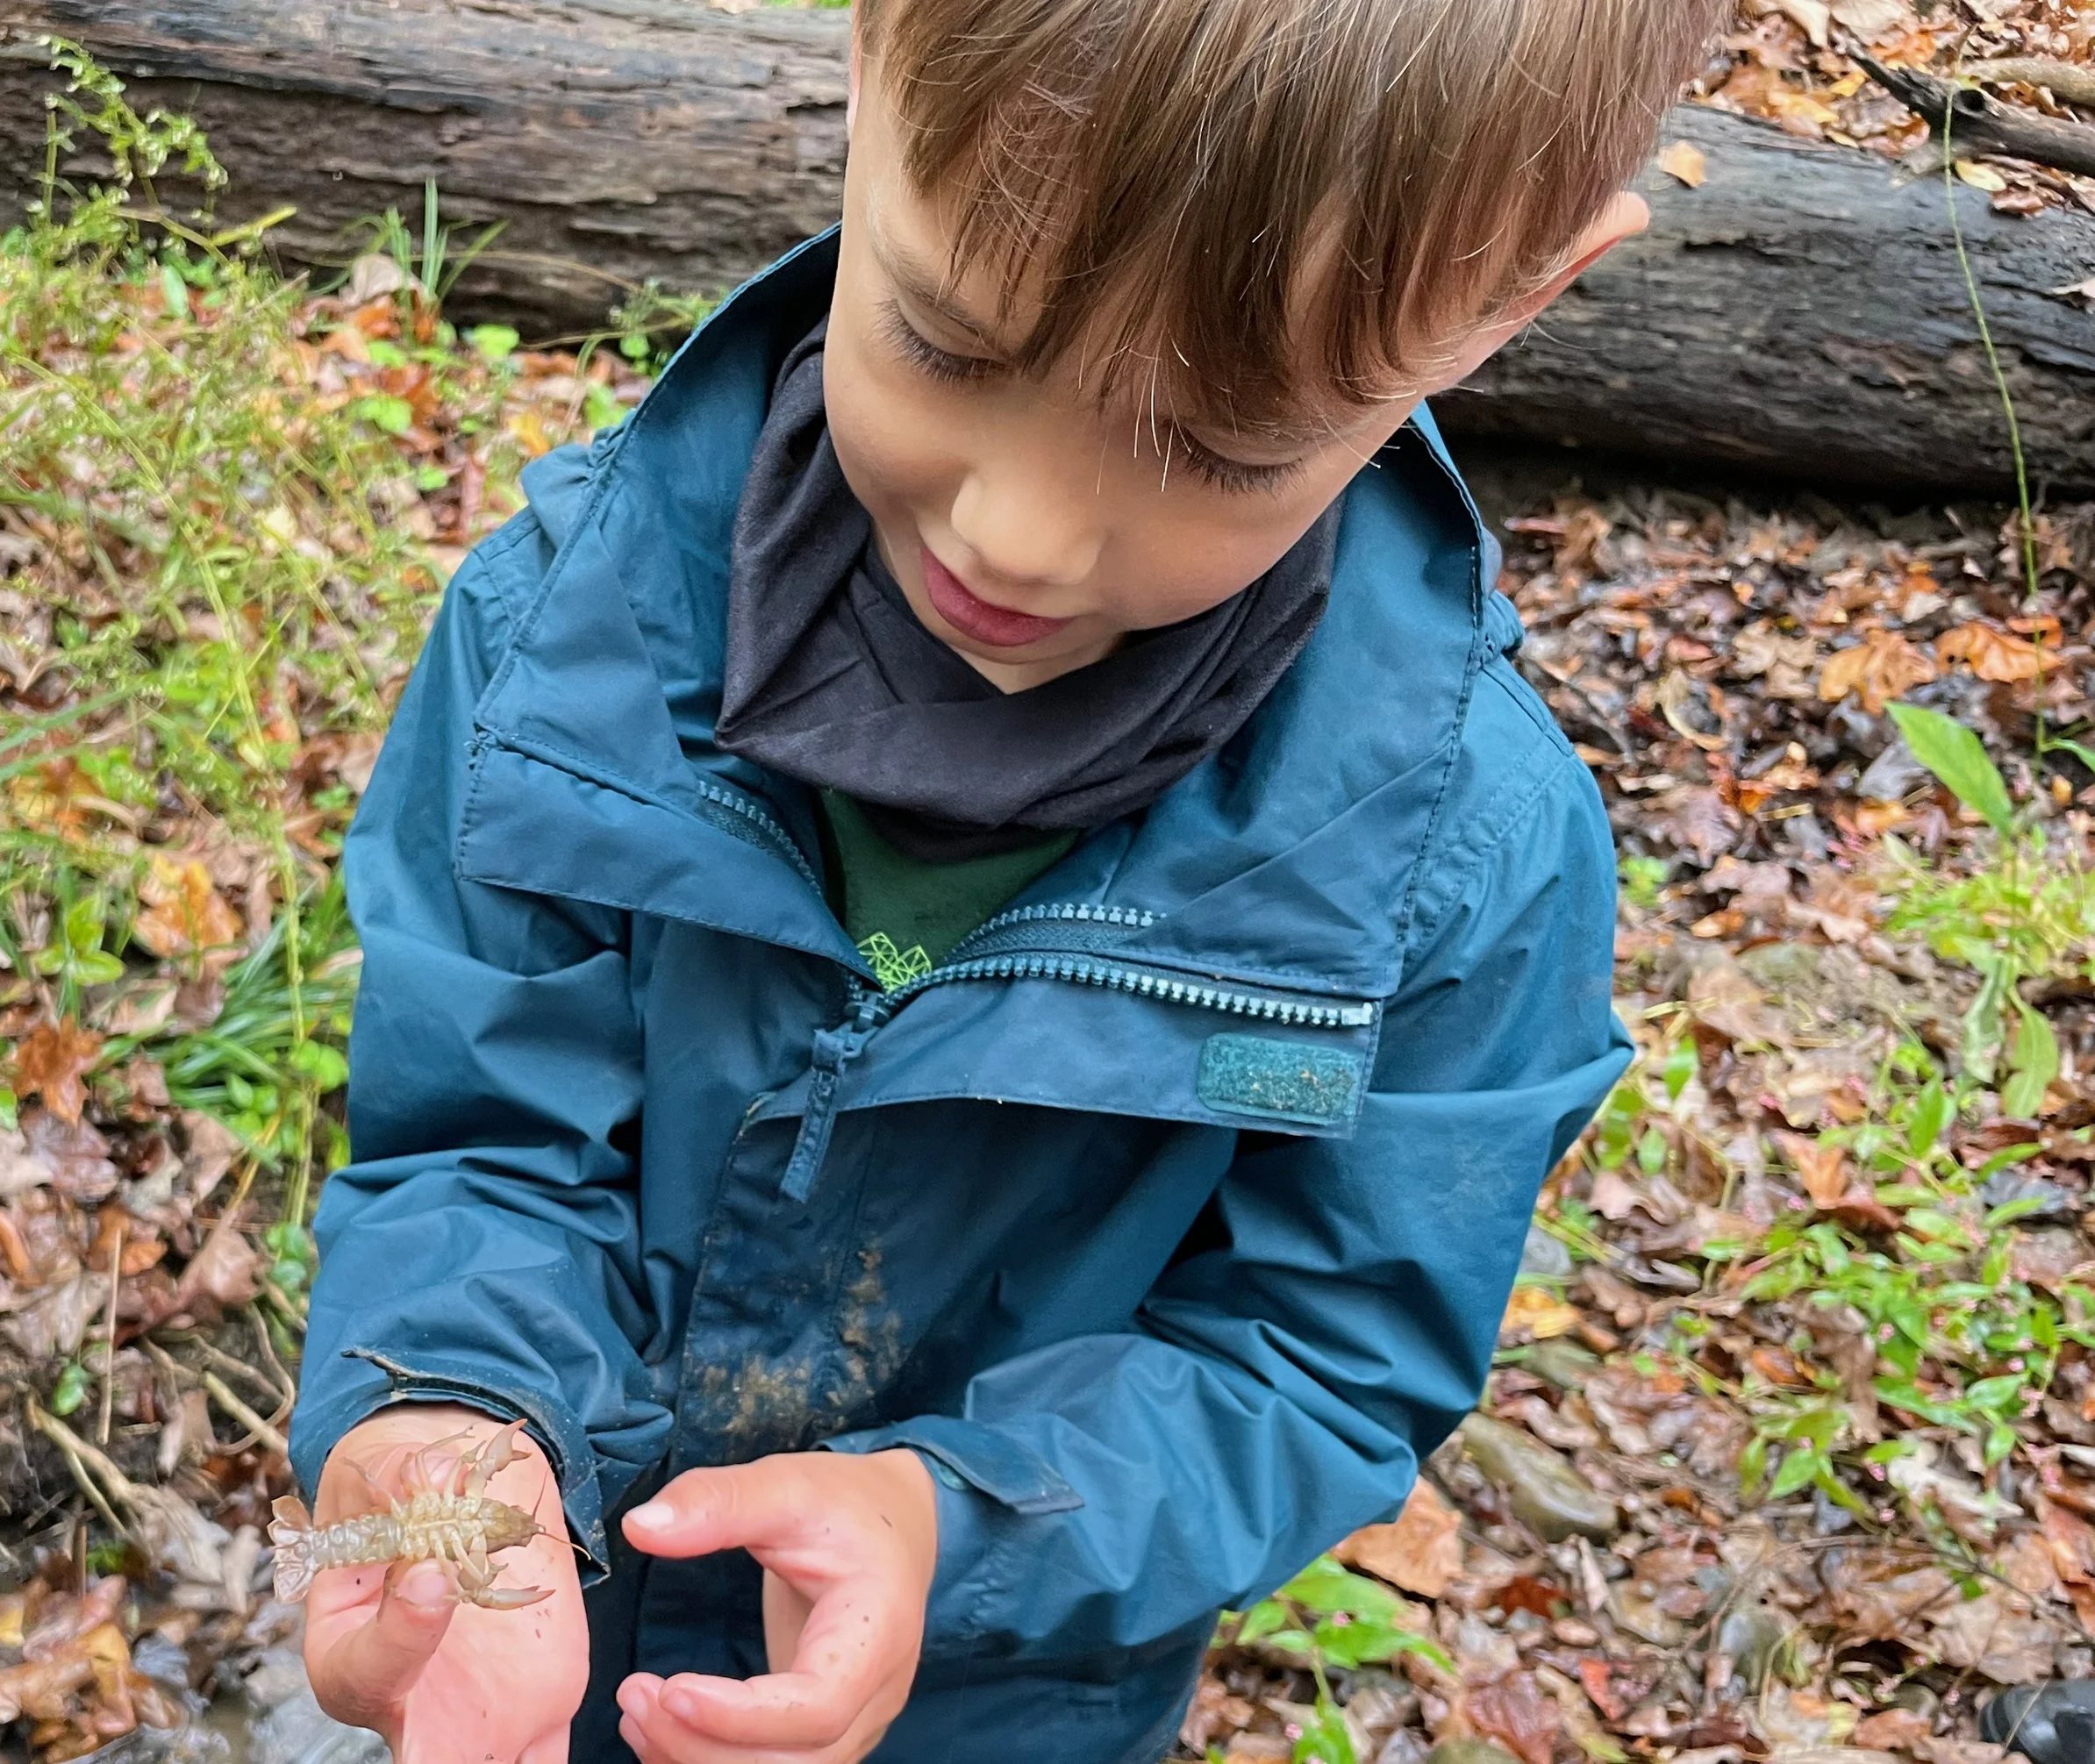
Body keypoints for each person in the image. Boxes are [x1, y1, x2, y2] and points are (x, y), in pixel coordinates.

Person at [285, 1, 1724, 1759]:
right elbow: (477, 1142)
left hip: (990, 1698)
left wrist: (948, 1524)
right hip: (541, 1649)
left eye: (1215, 450)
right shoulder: (559, 641)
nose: (1014, 537)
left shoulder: (1458, 865)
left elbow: (1319, 1358)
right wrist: (435, 1417)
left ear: (1511, 298)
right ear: (873, 44)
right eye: (951, 344)